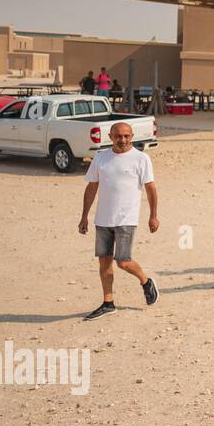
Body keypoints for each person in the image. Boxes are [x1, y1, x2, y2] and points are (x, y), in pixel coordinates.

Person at [78, 122, 159, 320]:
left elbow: (151, 188)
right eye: (118, 136)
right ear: (110, 136)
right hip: (103, 219)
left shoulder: (141, 159)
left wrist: (153, 215)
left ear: (132, 136)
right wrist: (84, 216)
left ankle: (146, 281)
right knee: (104, 262)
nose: (122, 140)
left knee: (122, 261)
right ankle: (108, 302)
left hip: (126, 218)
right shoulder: (101, 157)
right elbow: (91, 188)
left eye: (126, 136)